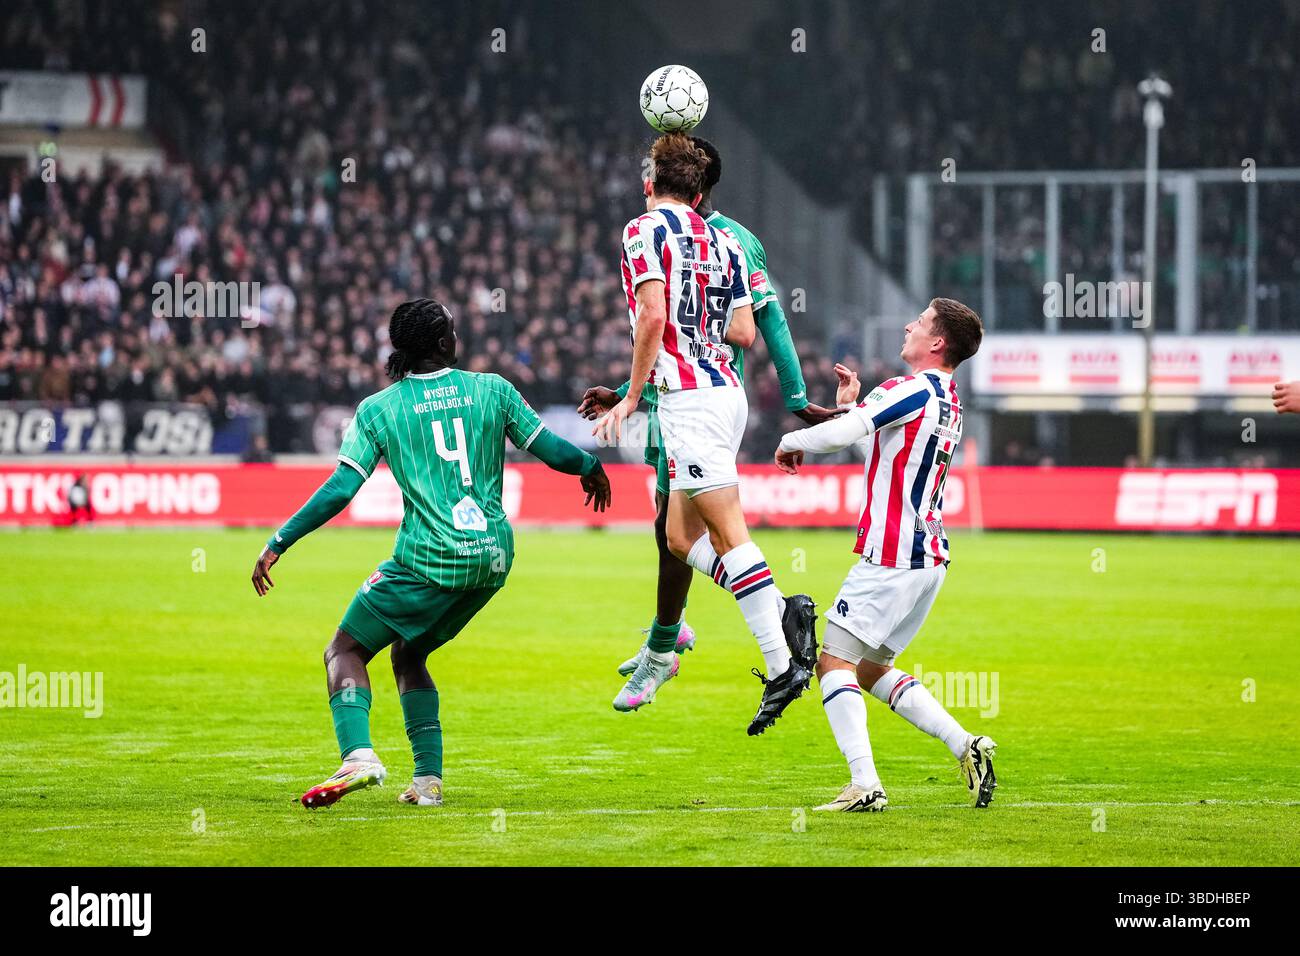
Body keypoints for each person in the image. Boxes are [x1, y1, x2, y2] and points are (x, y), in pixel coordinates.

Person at [251, 298, 610, 809]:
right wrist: (589, 465)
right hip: (492, 559)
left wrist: (278, 541)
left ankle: (358, 757)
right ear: (444, 344)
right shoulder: (492, 390)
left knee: (345, 651)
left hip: (429, 557)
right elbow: (551, 449)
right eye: (453, 329)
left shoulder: (379, 409)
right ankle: (427, 783)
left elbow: (339, 490)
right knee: (409, 651)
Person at [578, 135, 842, 684]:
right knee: (675, 535)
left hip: (690, 401)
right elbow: (738, 330)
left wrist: (631, 396)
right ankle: (696, 633)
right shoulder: (721, 242)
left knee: (721, 533)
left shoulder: (660, 232)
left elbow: (666, 320)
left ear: (654, 183)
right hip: (712, 393)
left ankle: (772, 653)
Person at [775, 298, 998, 810]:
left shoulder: (910, 388)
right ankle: (967, 745)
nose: (907, 326)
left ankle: (865, 784)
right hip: (929, 559)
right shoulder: (948, 399)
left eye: (918, 322)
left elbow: (844, 435)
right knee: (872, 669)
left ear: (937, 342)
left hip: (892, 556)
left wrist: (791, 438)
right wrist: (856, 407)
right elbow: (880, 449)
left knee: (833, 661)